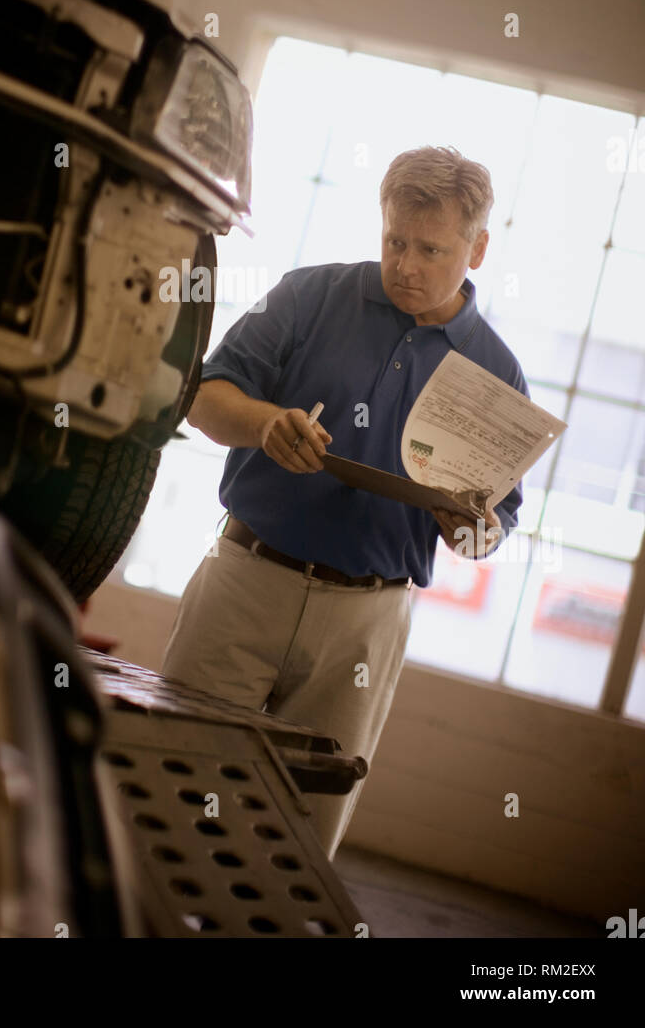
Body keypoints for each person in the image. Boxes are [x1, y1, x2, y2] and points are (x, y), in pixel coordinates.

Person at [160, 146, 529, 859]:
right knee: (174, 794)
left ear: (477, 249)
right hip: (244, 583)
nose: (407, 266)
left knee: (299, 840)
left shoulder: (499, 371)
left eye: (432, 249)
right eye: (395, 241)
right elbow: (203, 396)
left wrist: (470, 532)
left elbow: (497, 527)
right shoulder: (306, 294)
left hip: (367, 624)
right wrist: (266, 425)